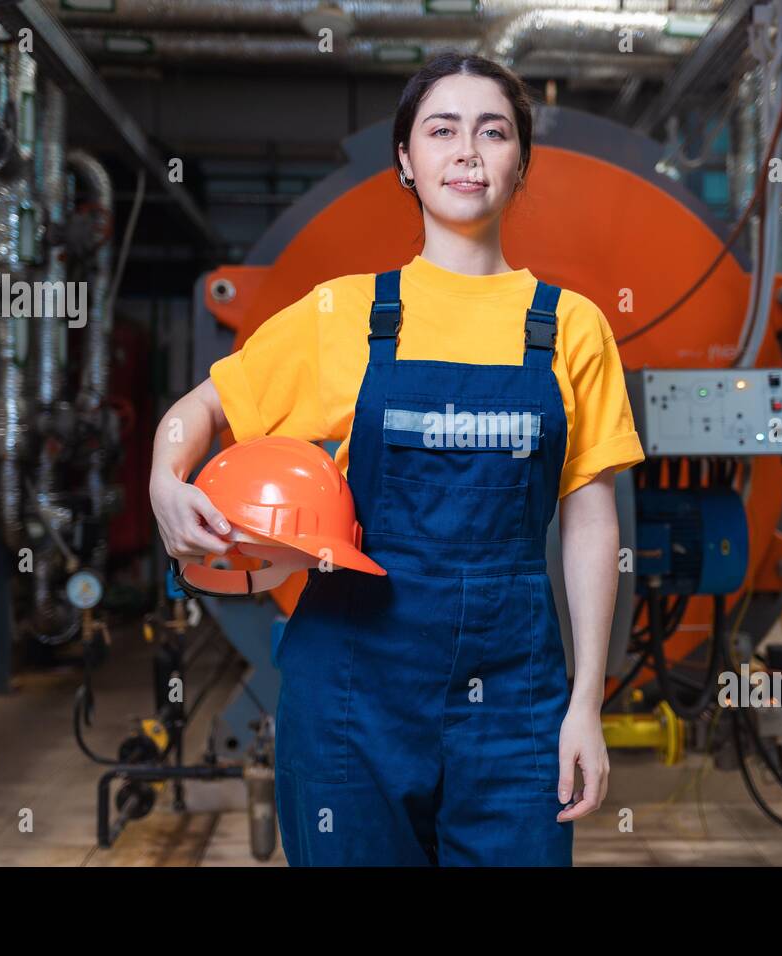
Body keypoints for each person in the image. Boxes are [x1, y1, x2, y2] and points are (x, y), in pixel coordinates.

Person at [149, 51, 644, 866]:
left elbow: (592, 518)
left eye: (494, 132)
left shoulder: (572, 327)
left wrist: (584, 702)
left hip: (514, 696)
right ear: (406, 163)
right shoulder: (347, 313)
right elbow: (198, 411)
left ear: (521, 162)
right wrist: (167, 482)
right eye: (441, 130)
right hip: (354, 687)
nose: (468, 151)